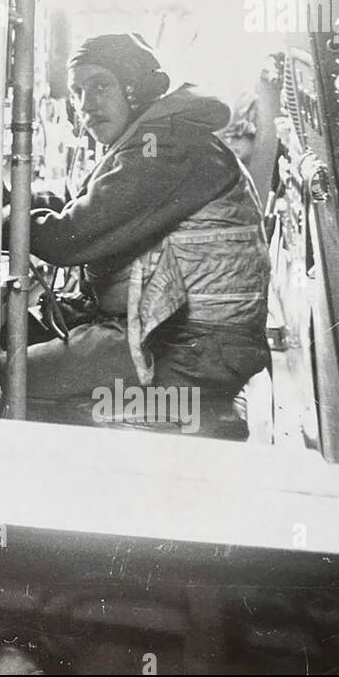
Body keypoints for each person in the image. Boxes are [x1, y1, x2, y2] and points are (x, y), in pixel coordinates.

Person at [16, 33, 270, 438]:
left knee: (2, 381)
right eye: (78, 91)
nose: (85, 104)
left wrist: (5, 218)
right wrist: (23, 200)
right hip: (176, 336)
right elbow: (95, 202)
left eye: (101, 86)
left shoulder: (162, 145)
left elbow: (70, 237)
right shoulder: (157, 136)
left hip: (186, 350)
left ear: (136, 87)